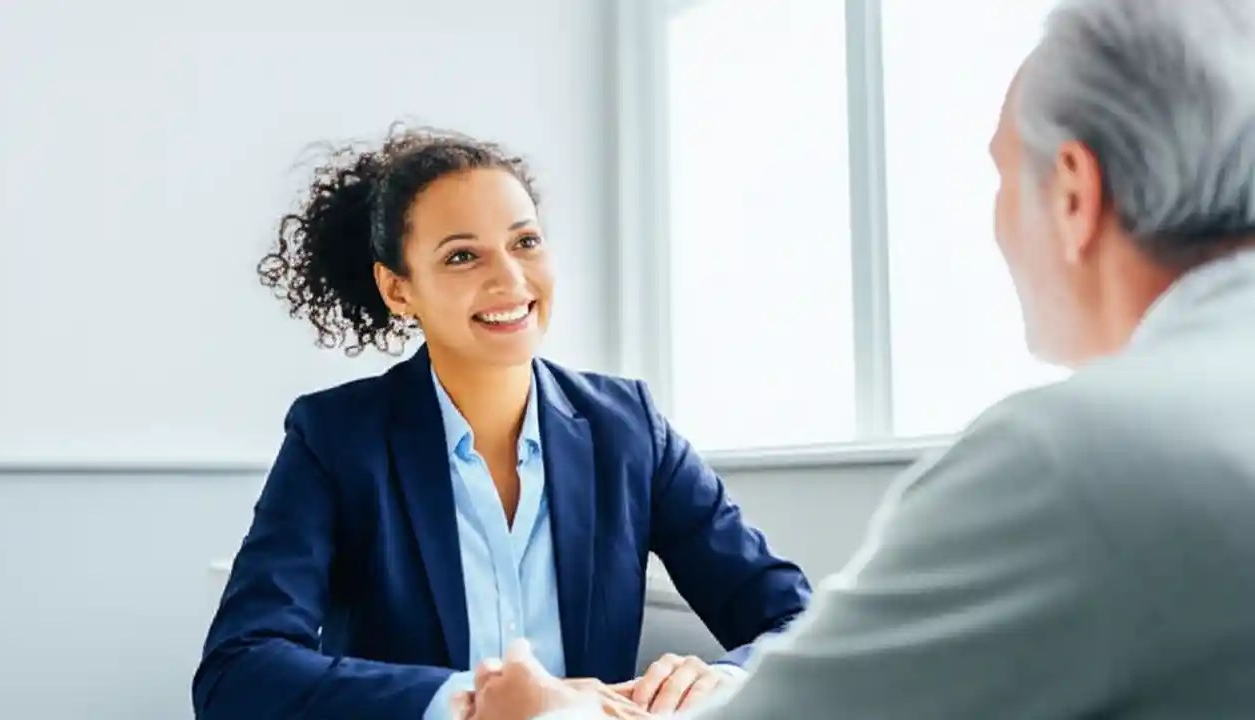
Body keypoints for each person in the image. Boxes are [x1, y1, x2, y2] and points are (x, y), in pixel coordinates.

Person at [464, 0, 1255, 717]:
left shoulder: (1064, 457)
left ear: (1075, 192)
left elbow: (788, 646)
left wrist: (546, 715)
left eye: (1002, 175)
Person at [189, 127, 812, 720]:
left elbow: (795, 621)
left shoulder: (629, 429)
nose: (511, 279)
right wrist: (474, 703)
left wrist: (723, 678)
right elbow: (238, 671)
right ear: (398, 289)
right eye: (463, 256)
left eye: (526, 242)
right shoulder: (335, 437)